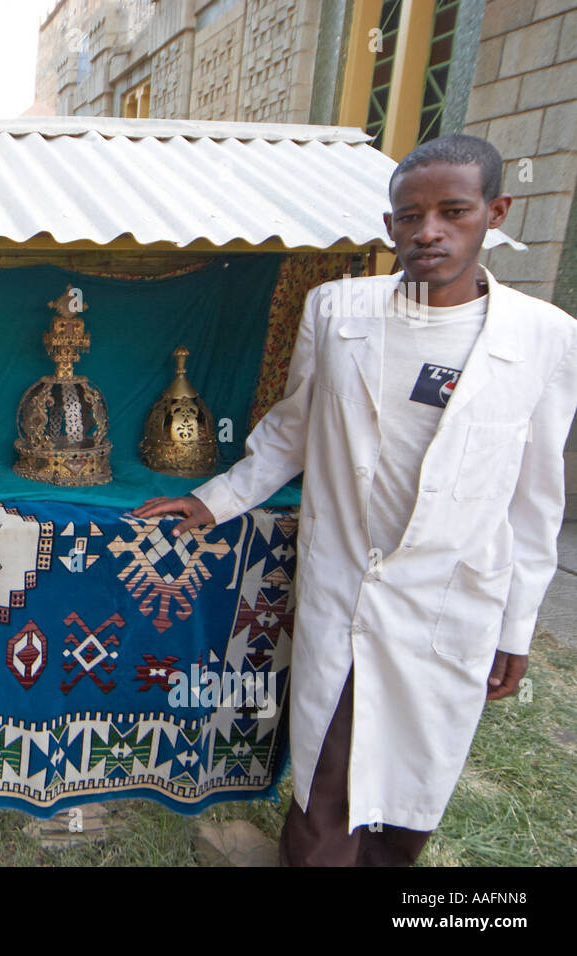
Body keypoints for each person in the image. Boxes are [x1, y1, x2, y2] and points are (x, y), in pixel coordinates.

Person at [135, 134, 577, 866]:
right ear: (388, 226)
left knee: (415, 781)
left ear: (494, 214)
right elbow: (291, 432)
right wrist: (214, 500)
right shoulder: (338, 312)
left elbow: (537, 499)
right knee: (327, 778)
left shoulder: (547, 338)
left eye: (453, 212)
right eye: (409, 216)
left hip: (452, 602)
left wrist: (517, 627)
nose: (427, 231)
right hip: (347, 591)